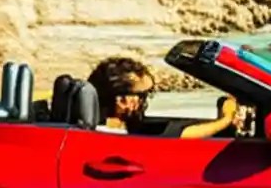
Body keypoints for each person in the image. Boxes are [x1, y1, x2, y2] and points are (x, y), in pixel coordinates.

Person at [86, 56, 240, 138]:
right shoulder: (109, 134)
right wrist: (225, 119)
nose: (144, 101)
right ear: (121, 101)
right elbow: (180, 137)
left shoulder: (112, 129)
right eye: (142, 95)